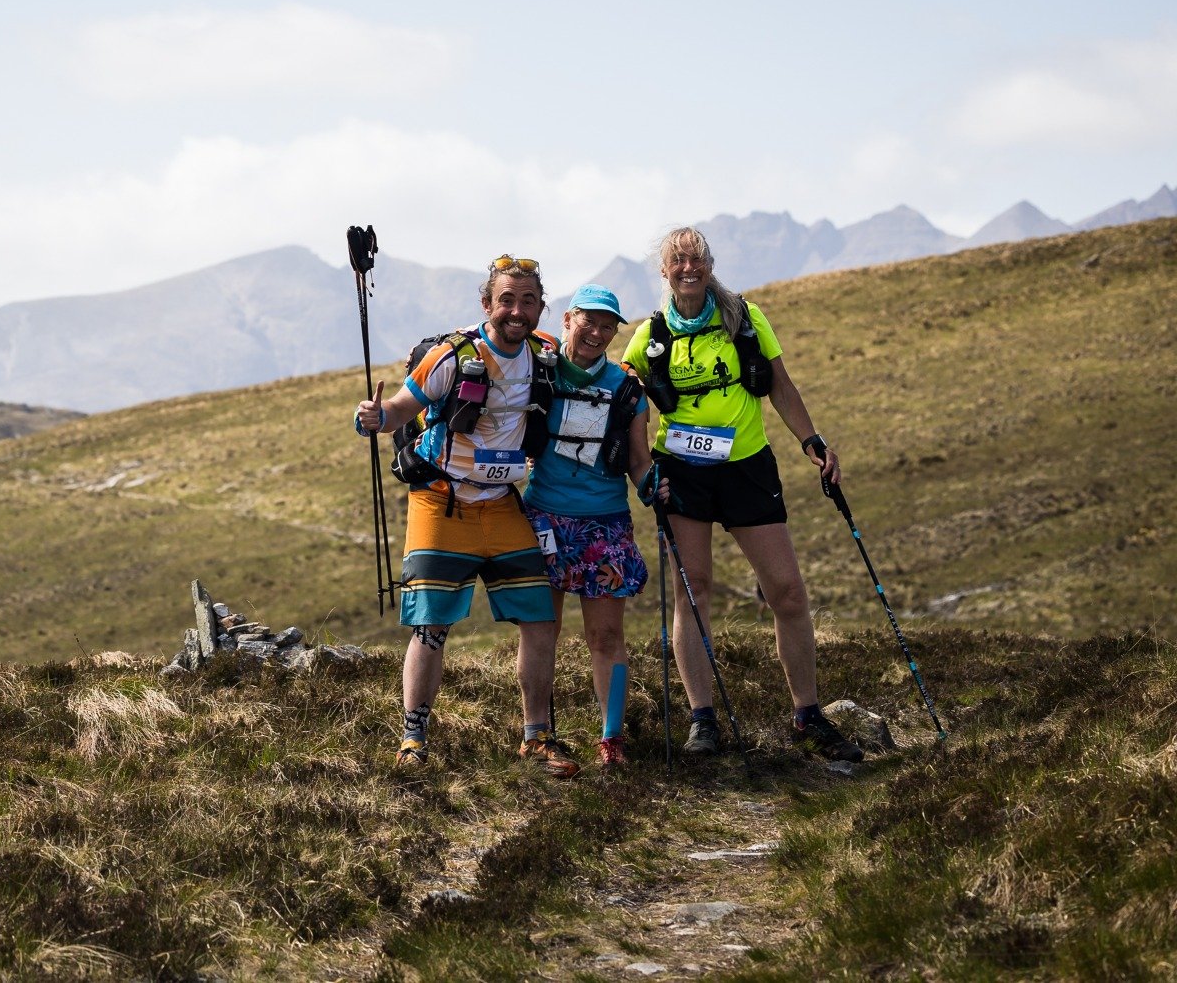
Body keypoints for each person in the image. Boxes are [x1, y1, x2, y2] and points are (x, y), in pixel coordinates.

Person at [620, 227, 864, 763]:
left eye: (697, 260)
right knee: (695, 590)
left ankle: (807, 714)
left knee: (787, 591)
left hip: (748, 468)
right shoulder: (648, 337)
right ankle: (701, 719)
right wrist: (641, 470)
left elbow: (780, 383)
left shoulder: (745, 319)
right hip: (681, 473)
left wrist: (812, 441)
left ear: (709, 265)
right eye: (678, 261)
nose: (689, 269)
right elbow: (624, 403)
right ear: (664, 272)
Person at [353, 254, 579, 778]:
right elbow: (397, 414)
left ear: (541, 308)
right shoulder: (453, 356)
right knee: (431, 625)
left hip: (502, 505)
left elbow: (591, 363)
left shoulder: (545, 354)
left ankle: (537, 737)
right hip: (441, 502)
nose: (516, 311)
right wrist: (372, 418)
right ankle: (412, 741)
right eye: (506, 300)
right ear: (487, 304)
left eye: (527, 301)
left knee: (540, 618)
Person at [521, 284, 656, 768]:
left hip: (606, 525)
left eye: (607, 326)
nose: (597, 333)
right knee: (543, 630)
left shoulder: (626, 390)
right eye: (589, 321)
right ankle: (536, 733)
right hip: (544, 519)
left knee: (606, 638)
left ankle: (612, 740)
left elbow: (639, 461)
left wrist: (651, 485)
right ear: (568, 320)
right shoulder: (539, 373)